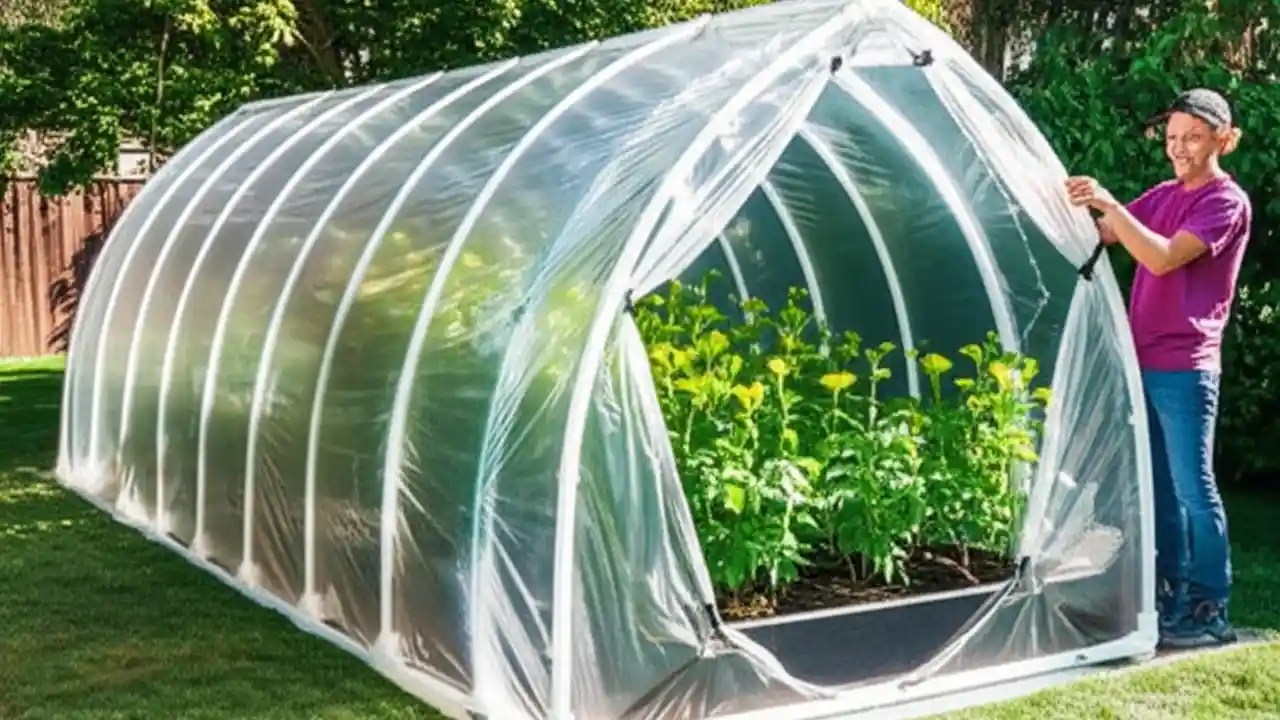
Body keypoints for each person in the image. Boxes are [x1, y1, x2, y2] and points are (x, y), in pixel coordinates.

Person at [1064, 88, 1251, 649]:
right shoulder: (1164, 195)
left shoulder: (1225, 202)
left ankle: (1209, 607)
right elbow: (1105, 232)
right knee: (1161, 491)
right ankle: (1171, 595)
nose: (1179, 148)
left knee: (1194, 490)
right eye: (1172, 138)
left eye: (1193, 137)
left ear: (1224, 140)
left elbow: (1162, 257)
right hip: (1142, 358)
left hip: (1185, 366)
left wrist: (1111, 205)